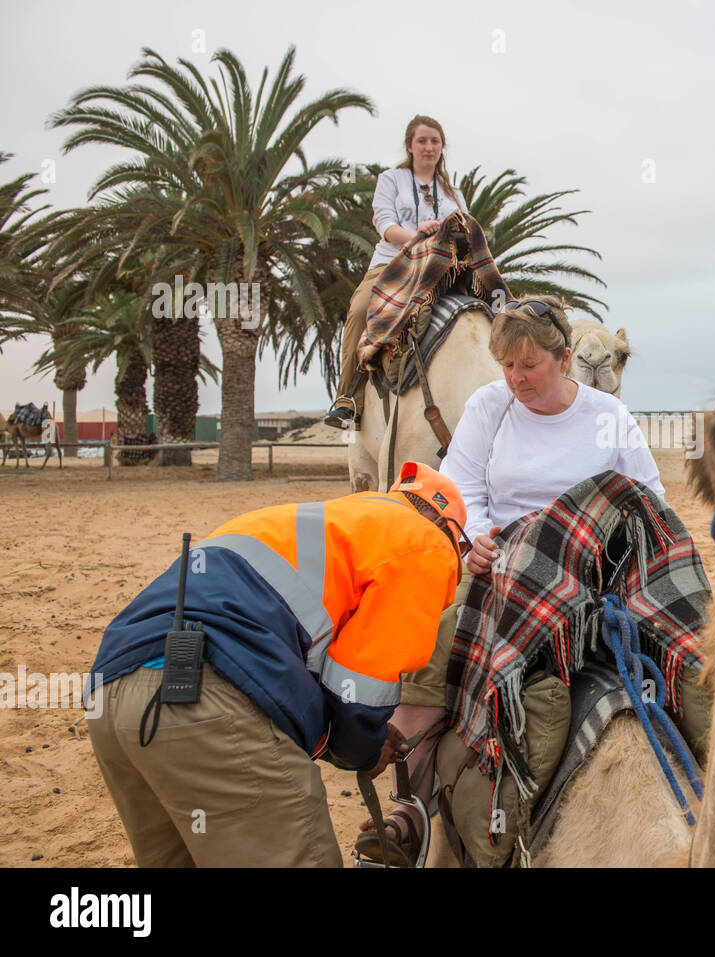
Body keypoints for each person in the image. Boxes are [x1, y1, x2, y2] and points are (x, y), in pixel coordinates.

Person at [353, 296, 666, 863]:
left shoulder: (608, 418)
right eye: (506, 366)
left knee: (688, 652)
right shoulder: (489, 407)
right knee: (432, 648)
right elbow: (460, 488)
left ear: (564, 359)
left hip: (592, 575)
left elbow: (650, 500)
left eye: (529, 365)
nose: (516, 378)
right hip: (501, 567)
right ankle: (411, 808)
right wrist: (474, 536)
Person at [85, 462, 471, 867]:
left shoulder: (316, 522)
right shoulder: (426, 543)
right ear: (444, 525)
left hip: (113, 693)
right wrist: (363, 748)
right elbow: (361, 682)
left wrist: (343, 737)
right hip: (208, 698)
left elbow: (286, 653)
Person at [324, 115, 468, 429]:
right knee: (361, 309)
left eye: (435, 141)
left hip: (439, 270)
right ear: (410, 146)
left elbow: (465, 231)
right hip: (393, 265)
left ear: (442, 147)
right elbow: (385, 225)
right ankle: (347, 397)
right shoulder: (392, 179)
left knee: (485, 311)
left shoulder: (453, 193)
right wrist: (420, 234)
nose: (429, 147)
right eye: (422, 141)